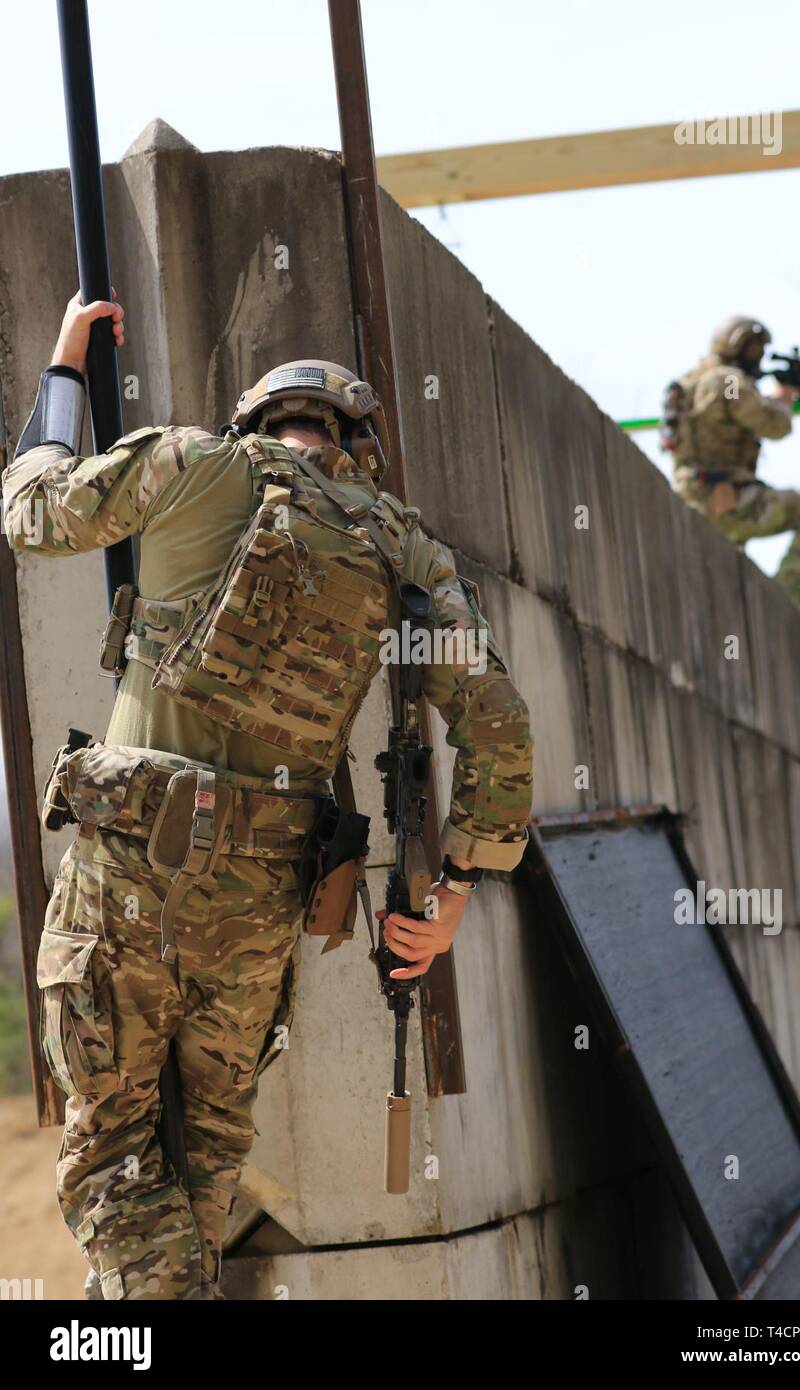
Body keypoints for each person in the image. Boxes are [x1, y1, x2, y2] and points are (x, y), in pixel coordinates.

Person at [2, 291, 534, 1300]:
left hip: (128, 869)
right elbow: (496, 720)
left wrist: (64, 374)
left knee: (112, 1154)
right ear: (355, 443)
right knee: (204, 1162)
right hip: (257, 894)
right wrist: (456, 887)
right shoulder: (401, 547)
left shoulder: (190, 462)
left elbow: (30, 513)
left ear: (255, 420)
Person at [665, 315, 800, 606]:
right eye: (753, 349)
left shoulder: (689, 382)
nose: (756, 358)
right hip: (727, 501)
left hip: (695, 500)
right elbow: (774, 425)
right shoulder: (728, 380)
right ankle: (782, 604)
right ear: (735, 347)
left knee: (726, 584)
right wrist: (783, 401)